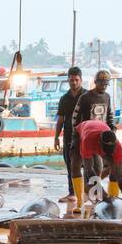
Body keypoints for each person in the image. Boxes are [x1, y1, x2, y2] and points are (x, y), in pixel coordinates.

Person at [70, 70, 116, 206]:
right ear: (95, 82)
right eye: (101, 83)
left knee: (98, 167)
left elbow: (109, 116)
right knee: (77, 166)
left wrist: (112, 132)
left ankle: (92, 195)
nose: (103, 86)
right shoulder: (85, 97)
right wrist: (75, 137)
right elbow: (75, 117)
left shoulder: (107, 97)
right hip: (83, 137)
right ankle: (80, 201)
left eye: (106, 84)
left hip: (99, 139)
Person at [72, 118, 122, 211]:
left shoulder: (118, 148)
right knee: (75, 164)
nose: (106, 155)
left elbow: (120, 174)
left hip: (98, 129)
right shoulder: (88, 140)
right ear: (99, 144)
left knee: (115, 169)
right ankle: (79, 202)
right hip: (81, 131)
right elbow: (88, 169)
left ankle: (113, 201)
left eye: (110, 152)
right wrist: (102, 193)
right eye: (105, 152)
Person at [53, 66, 84, 203]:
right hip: (68, 137)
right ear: (68, 81)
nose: (74, 83)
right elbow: (60, 119)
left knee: (89, 167)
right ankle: (72, 193)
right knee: (70, 166)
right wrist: (56, 137)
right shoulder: (64, 99)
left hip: (85, 137)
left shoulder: (87, 96)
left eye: (76, 80)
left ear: (81, 80)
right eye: (71, 80)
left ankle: (88, 192)